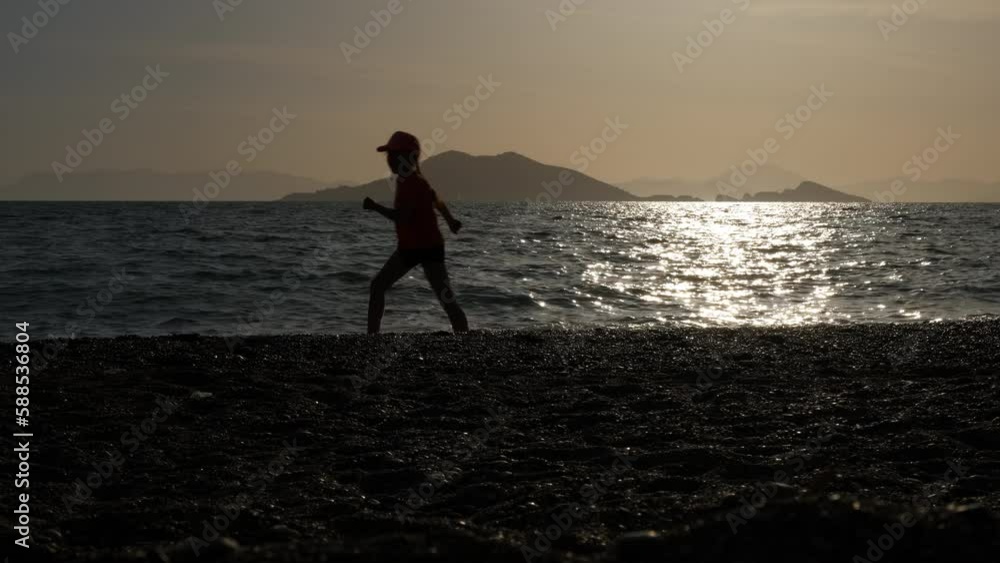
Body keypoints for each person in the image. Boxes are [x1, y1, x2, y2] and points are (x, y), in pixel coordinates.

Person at [363, 131, 469, 334]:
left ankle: (372, 338)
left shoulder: (412, 183)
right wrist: (450, 220)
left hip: (422, 248)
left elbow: (402, 217)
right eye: (389, 156)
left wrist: (375, 207)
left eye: (393, 155)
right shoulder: (411, 180)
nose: (389, 160)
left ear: (407, 157)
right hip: (417, 246)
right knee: (445, 298)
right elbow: (435, 198)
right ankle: (464, 336)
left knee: (379, 287)